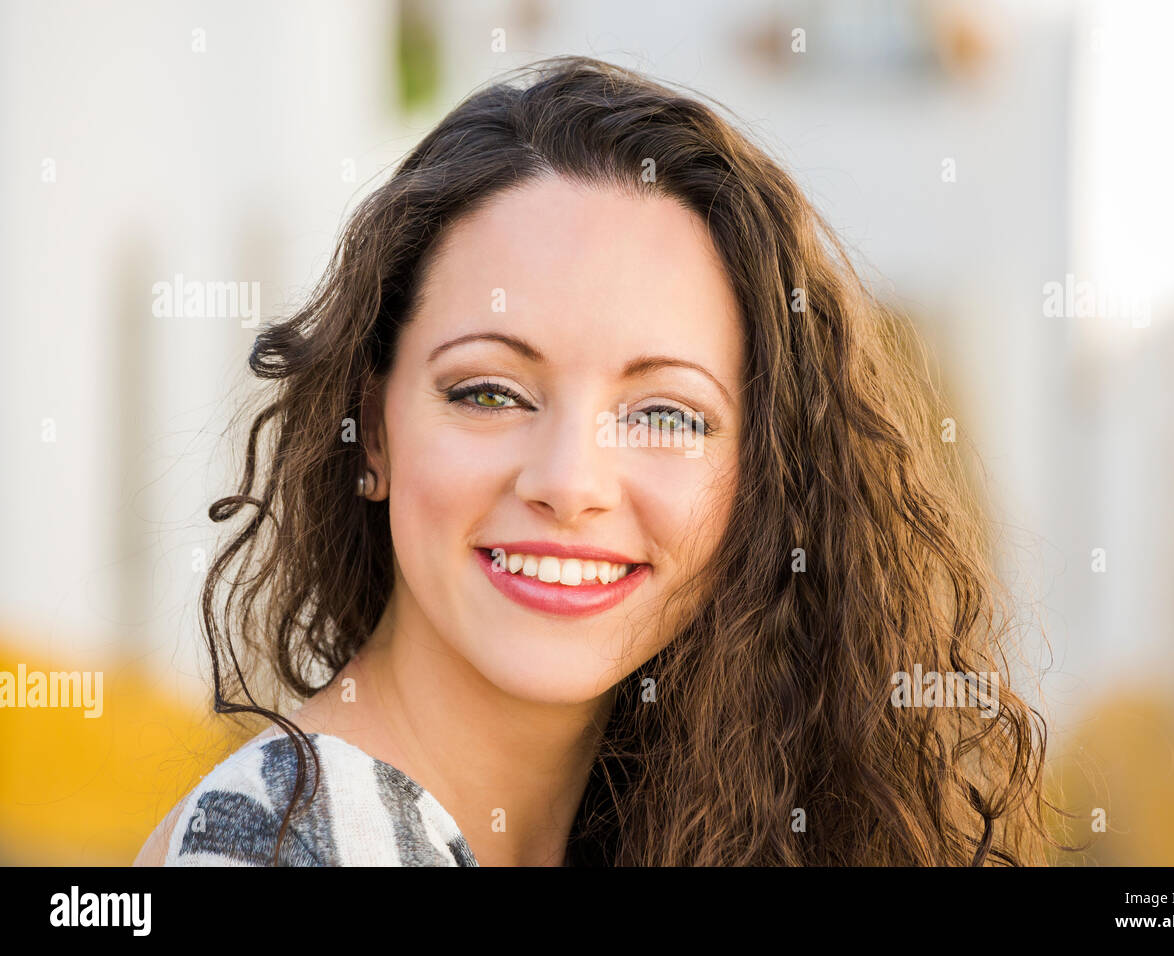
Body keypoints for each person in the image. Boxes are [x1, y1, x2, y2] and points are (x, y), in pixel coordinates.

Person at [135, 54, 1056, 867]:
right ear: (371, 430)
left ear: (763, 477)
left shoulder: (666, 819)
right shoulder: (290, 841)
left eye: (664, 413)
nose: (569, 484)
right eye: (489, 392)